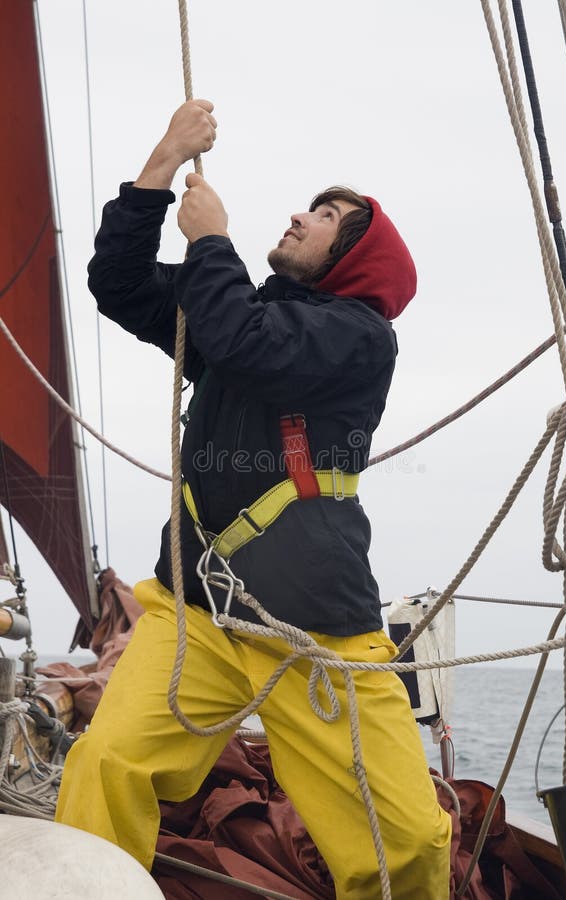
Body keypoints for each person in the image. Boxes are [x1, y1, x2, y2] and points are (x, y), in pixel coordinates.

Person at [55, 100, 452, 898]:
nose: (300, 217)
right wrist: (163, 163)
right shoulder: (239, 309)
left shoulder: (357, 338)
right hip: (196, 614)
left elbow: (248, 345)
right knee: (107, 764)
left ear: (353, 259)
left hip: (315, 635)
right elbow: (119, 282)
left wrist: (210, 242)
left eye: (326, 216)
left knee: (403, 841)